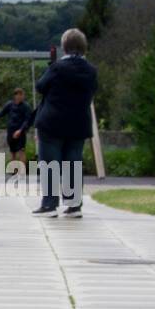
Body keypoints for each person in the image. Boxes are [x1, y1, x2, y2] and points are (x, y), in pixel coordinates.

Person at [32, 28, 98, 218]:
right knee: (73, 163)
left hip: (52, 123)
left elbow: (40, 86)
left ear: (65, 47)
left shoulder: (57, 68)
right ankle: (73, 205)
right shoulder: (91, 71)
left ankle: (49, 205)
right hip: (78, 123)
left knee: (50, 164)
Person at [0, 88, 34, 172]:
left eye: (22, 95)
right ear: (16, 96)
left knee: (21, 151)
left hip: (20, 132)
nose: (22, 97)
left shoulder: (26, 106)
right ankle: (14, 170)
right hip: (11, 131)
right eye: (20, 95)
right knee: (12, 152)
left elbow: (27, 120)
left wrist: (20, 130)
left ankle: (22, 171)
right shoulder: (10, 104)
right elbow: (1, 113)